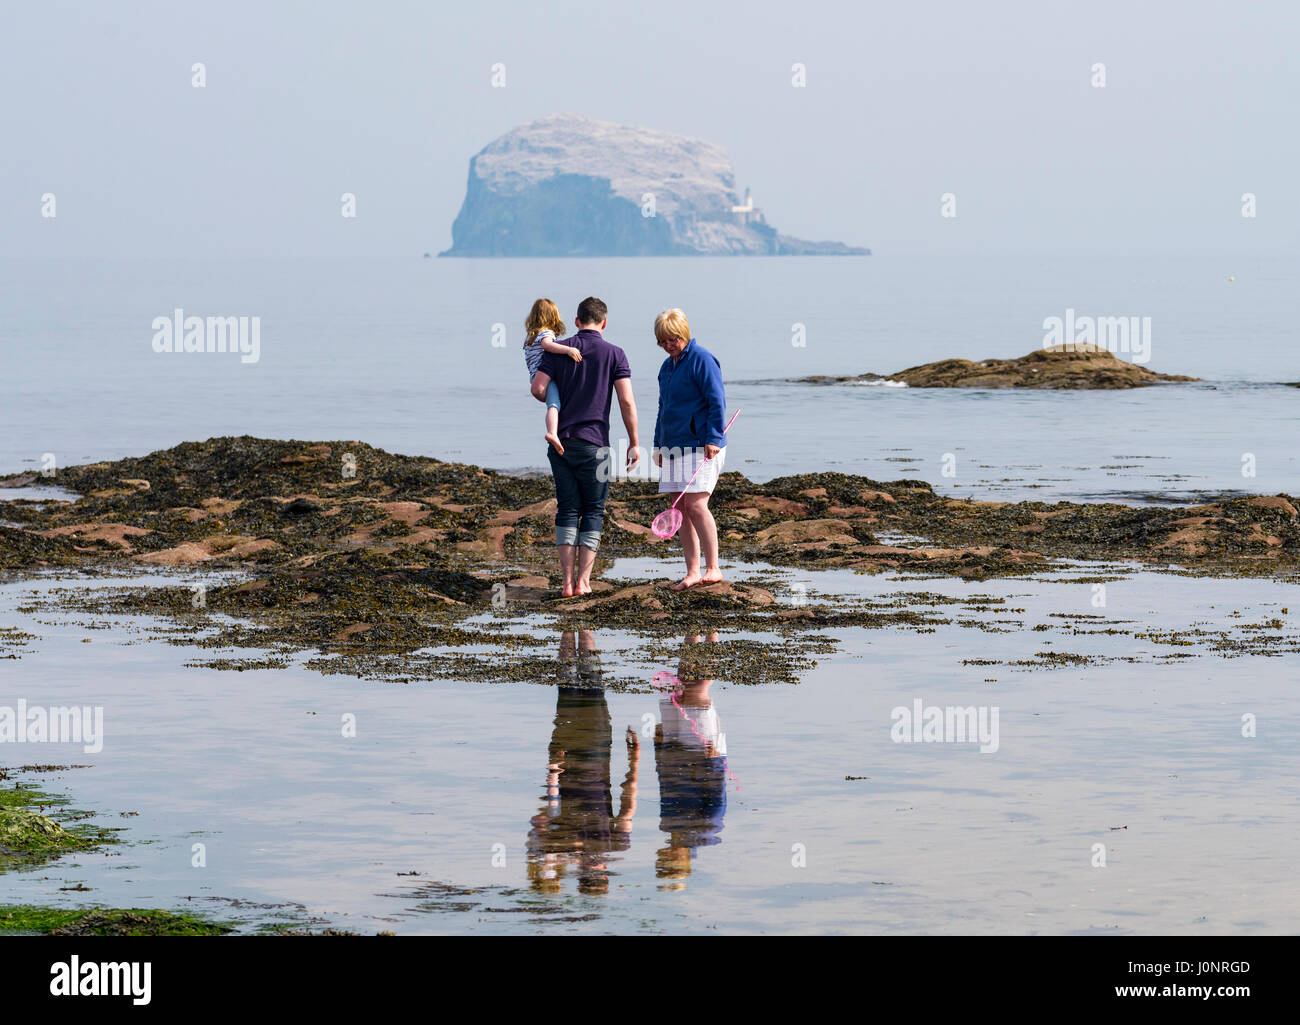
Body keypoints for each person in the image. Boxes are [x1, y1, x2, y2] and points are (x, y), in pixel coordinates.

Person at [530, 296, 640, 597]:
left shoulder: (557, 349)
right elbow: (626, 401)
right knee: (593, 510)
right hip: (596, 445)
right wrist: (634, 442)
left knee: (567, 508)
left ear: (577, 321)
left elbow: (538, 388)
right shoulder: (615, 354)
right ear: (604, 323)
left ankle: (566, 583)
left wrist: (558, 395)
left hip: (561, 442)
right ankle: (583, 583)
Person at [651, 308, 727, 591]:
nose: (669, 345)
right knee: (679, 508)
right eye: (663, 341)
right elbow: (663, 408)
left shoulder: (702, 359)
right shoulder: (666, 368)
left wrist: (714, 438)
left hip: (700, 444)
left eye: (673, 339)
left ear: (684, 333)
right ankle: (693, 570)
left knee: (696, 504)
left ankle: (713, 567)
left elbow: (716, 400)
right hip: (672, 445)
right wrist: (658, 444)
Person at [522, 298, 583, 455]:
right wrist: (568, 350)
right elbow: (548, 345)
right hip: (544, 376)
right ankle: (552, 432)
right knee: (554, 405)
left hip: (534, 376)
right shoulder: (546, 334)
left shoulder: (530, 337)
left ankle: (554, 431)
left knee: (553, 403)